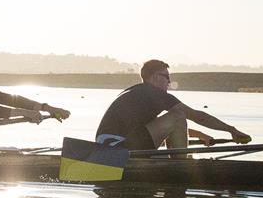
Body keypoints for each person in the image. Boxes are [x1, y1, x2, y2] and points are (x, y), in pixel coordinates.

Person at [94, 60, 252, 154]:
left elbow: (162, 128)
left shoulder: (137, 93)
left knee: (175, 118)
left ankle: (174, 161)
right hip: (116, 150)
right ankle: (180, 166)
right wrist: (232, 130)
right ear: (155, 77)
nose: (169, 82)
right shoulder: (154, 94)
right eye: (166, 77)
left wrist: (199, 135)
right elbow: (197, 116)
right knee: (178, 115)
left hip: (110, 147)